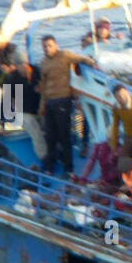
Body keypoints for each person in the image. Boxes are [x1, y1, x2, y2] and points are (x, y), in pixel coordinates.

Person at [37, 35, 96, 176]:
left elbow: (81, 59)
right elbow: (43, 85)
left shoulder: (65, 55)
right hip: (49, 101)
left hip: (63, 100)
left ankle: (69, 169)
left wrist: (91, 62)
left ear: (56, 45)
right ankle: (50, 167)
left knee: (64, 135)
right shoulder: (43, 63)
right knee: (50, 136)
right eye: (44, 46)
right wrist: (42, 105)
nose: (47, 48)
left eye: (49, 45)